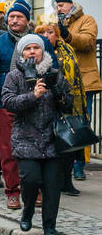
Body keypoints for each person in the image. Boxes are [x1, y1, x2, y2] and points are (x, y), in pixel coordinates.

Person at [2, 33, 72, 235]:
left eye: (36, 48)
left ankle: (49, 224)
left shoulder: (54, 73)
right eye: (28, 49)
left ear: (43, 51)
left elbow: (68, 103)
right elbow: (9, 102)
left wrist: (57, 90)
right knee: (30, 180)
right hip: (26, 138)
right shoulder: (15, 75)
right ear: (21, 53)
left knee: (52, 186)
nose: (32, 52)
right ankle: (28, 212)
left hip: (53, 139)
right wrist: (33, 96)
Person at [0, 0, 39, 210]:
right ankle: (13, 191)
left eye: (19, 17)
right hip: (5, 103)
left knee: (36, 149)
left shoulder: (38, 42)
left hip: (34, 104)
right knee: (8, 150)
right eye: (11, 17)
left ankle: (35, 189)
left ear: (27, 20)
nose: (15, 21)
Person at [52, 0, 98, 183]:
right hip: (62, 83)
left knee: (81, 124)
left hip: (84, 83)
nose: (59, 9)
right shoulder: (55, 24)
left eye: (61, 5)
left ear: (71, 4)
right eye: (56, 6)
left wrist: (66, 34)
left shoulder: (87, 19)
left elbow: (87, 42)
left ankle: (79, 167)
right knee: (62, 125)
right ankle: (64, 167)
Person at [38, 17, 84, 197]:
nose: (46, 35)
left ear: (57, 35)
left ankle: (66, 180)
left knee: (68, 145)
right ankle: (49, 182)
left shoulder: (68, 49)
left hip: (66, 100)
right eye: (41, 32)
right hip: (44, 101)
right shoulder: (34, 50)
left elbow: (76, 76)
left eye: (50, 32)